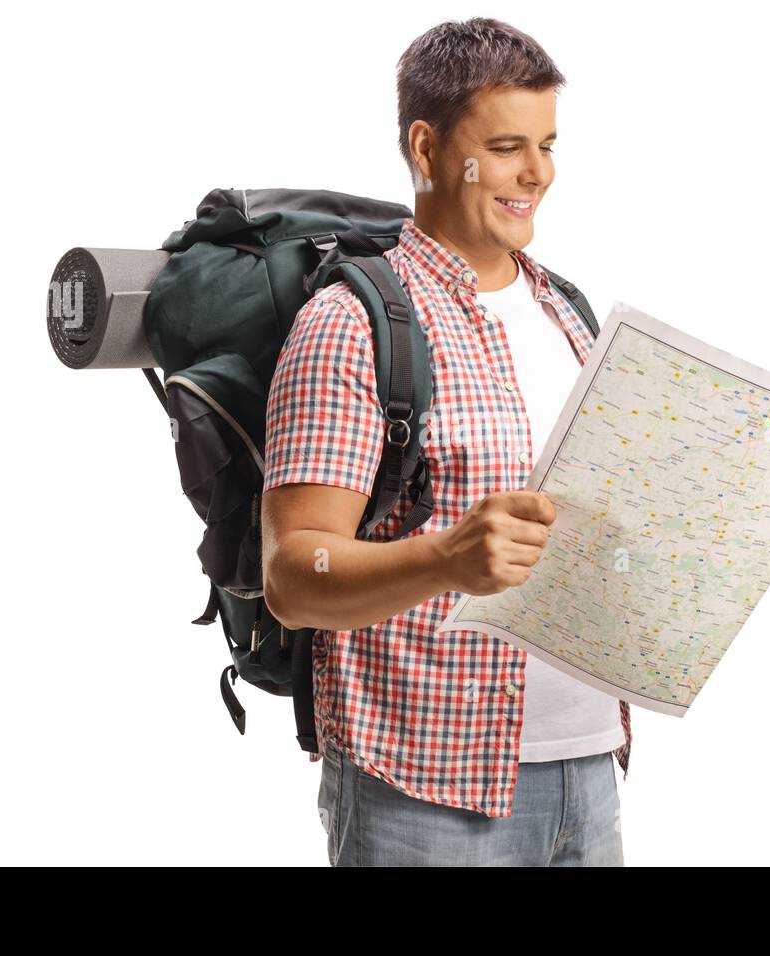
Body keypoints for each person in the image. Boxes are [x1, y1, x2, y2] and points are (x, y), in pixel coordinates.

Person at [261, 16, 630, 866]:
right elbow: (292, 574)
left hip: (588, 768)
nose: (536, 173)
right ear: (426, 150)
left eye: (547, 144)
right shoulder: (351, 324)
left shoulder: (567, 313)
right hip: (423, 789)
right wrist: (444, 560)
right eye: (505, 146)